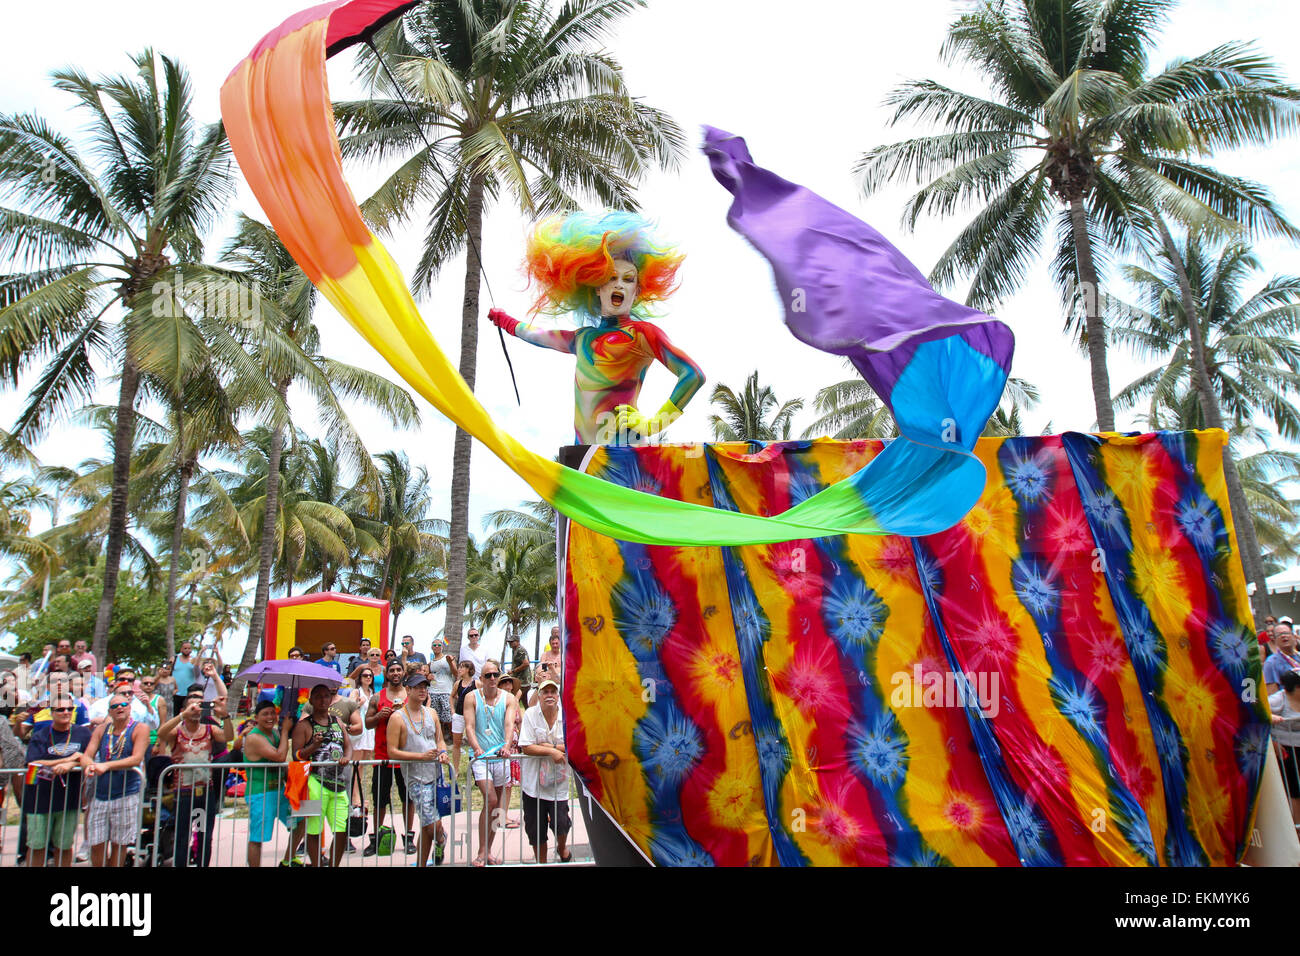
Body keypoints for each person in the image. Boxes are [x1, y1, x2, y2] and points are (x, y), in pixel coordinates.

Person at [487, 211, 703, 445]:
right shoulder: (582, 339)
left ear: (637, 291)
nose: (619, 284)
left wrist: (654, 424)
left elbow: (693, 375)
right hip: (583, 458)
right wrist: (504, 320)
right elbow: (535, 334)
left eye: (628, 279)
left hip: (626, 456)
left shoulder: (643, 334)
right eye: (611, 277)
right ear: (597, 288)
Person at [156, 686, 230, 868]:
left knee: (205, 835)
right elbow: (161, 733)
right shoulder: (177, 732)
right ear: (184, 710)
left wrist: (225, 715)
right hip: (183, 794)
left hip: (205, 792)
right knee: (182, 836)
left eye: (199, 706)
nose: (197, 709)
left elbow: (228, 736)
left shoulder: (209, 729)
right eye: (192, 706)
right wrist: (182, 716)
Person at [386, 673, 451, 866]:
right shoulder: (397, 718)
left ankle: (423, 861)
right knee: (431, 825)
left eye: (425, 686)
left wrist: (443, 752)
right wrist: (419, 757)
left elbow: (440, 739)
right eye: (418, 687)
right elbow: (392, 751)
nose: (423, 690)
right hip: (415, 778)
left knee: (427, 824)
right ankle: (441, 839)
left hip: (436, 775)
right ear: (408, 690)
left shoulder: (431, 713)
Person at [22, 692, 93, 867]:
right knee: (37, 846)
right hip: (39, 798)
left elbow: (88, 757)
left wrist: (73, 763)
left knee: (64, 845)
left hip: (68, 798)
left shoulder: (83, 733)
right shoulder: (41, 734)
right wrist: (69, 759)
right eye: (60, 709)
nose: (66, 712)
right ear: (52, 712)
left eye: (70, 709)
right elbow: (33, 761)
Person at [84, 691, 150, 867]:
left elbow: (136, 759)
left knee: (119, 844)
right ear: (109, 711)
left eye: (123, 705)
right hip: (101, 794)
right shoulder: (101, 730)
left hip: (126, 794)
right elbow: (87, 755)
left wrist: (106, 766)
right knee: (96, 842)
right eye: (114, 706)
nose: (119, 708)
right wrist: (88, 765)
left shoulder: (140, 728)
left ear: (130, 708)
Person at [463, 659, 518, 866]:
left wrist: (506, 745)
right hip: (481, 757)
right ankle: (481, 850)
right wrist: (476, 747)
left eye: (495, 674)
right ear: (481, 679)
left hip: (500, 756)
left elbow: (509, 723)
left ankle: (488, 851)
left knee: (496, 808)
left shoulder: (509, 698)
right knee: (491, 799)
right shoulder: (472, 697)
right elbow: (469, 726)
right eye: (488, 675)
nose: (493, 678)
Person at [292, 683, 352, 867]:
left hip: (338, 784)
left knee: (342, 829)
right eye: (317, 696)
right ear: (311, 700)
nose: (322, 700)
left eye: (326, 696)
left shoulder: (337, 721)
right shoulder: (304, 725)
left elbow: (348, 745)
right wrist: (313, 747)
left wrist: (347, 758)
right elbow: (296, 755)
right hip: (313, 783)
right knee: (313, 829)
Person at [364, 658, 416, 855]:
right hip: (383, 755)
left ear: (403, 673)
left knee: (408, 799)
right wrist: (379, 716)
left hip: (405, 755)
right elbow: (368, 723)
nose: (395, 673)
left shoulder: (410, 695)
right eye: (392, 670)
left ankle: (409, 836)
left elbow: (420, 717)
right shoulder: (377, 697)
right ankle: (377, 836)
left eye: (398, 670)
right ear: (387, 674)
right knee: (380, 800)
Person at [519, 678, 571, 862]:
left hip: (559, 784)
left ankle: (562, 849)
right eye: (545, 692)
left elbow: (572, 745)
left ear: (558, 696)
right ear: (539, 696)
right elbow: (526, 746)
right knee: (536, 830)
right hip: (533, 786)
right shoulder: (530, 714)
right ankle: (542, 863)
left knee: (561, 824)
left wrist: (549, 747)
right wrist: (553, 750)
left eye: (553, 692)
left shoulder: (567, 716)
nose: (549, 695)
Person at [242, 700, 299, 867]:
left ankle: (288, 860)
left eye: (272, 713)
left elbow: (281, 764)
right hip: (260, 794)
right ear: (256, 718)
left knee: (300, 822)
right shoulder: (254, 737)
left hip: (280, 793)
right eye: (265, 714)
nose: (270, 717)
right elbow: (280, 756)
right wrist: (285, 731)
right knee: (257, 838)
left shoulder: (273, 733)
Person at [348, 667, 377, 831]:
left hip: (369, 732)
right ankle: (355, 797)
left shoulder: (372, 692)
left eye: (370, 675)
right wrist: (359, 703)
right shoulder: (356, 692)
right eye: (365, 675)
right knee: (355, 765)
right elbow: (350, 707)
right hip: (359, 732)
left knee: (362, 766)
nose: (368, 678)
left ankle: (359, 795)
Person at [451, 660, 476, 775]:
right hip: (459, 714)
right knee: (456, 743)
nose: (459, 669)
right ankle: (455, 769)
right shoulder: (458, 683)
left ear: (468, 670)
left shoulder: (477, 683)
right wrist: (452, 711)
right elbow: (452, 696)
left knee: (474, 742)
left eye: (462, 667)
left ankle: (474, 768)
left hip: (472, 716)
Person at [427, 638, 456, 740]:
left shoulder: (447, 658)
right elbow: (426, 675)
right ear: (431, 647)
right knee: (437, 718)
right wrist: (428, 677)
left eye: (439, 645)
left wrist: (450, 662)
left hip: (446, 691)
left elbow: (456, 673)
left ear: (442, 646)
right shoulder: (430, 662)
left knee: (449, 718)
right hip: (433, 691)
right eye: (434, 645)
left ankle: (455, 739)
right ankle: (441, 740)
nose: (437, 647)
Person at [1264, 621, 1300, 695]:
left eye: (1286, 633)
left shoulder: (1298, 655)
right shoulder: (1271, 663)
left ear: (1293, 636)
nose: (1283, 636)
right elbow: (1272, 694)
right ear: (1275, 639)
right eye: (1279, 634)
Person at [171, 640, 199, 716]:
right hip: (176, 693)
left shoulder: (194, 660)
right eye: (185, 648)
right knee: (175, 715)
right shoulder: (174, 659)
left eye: (189, 648)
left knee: (189, 714)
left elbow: (198, 672)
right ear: (181, 649)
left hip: (189, 694)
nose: (187, 650)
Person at [507, 634, 533, 708]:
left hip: (523, 681)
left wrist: (513, 671)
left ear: (517, 642)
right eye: (509, 642)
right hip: (520, 680)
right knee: (525, 702)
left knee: (515, 701)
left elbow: (526, 663)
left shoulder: (520, 650)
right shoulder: (515, 650)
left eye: (512, 642)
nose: (510, 643)